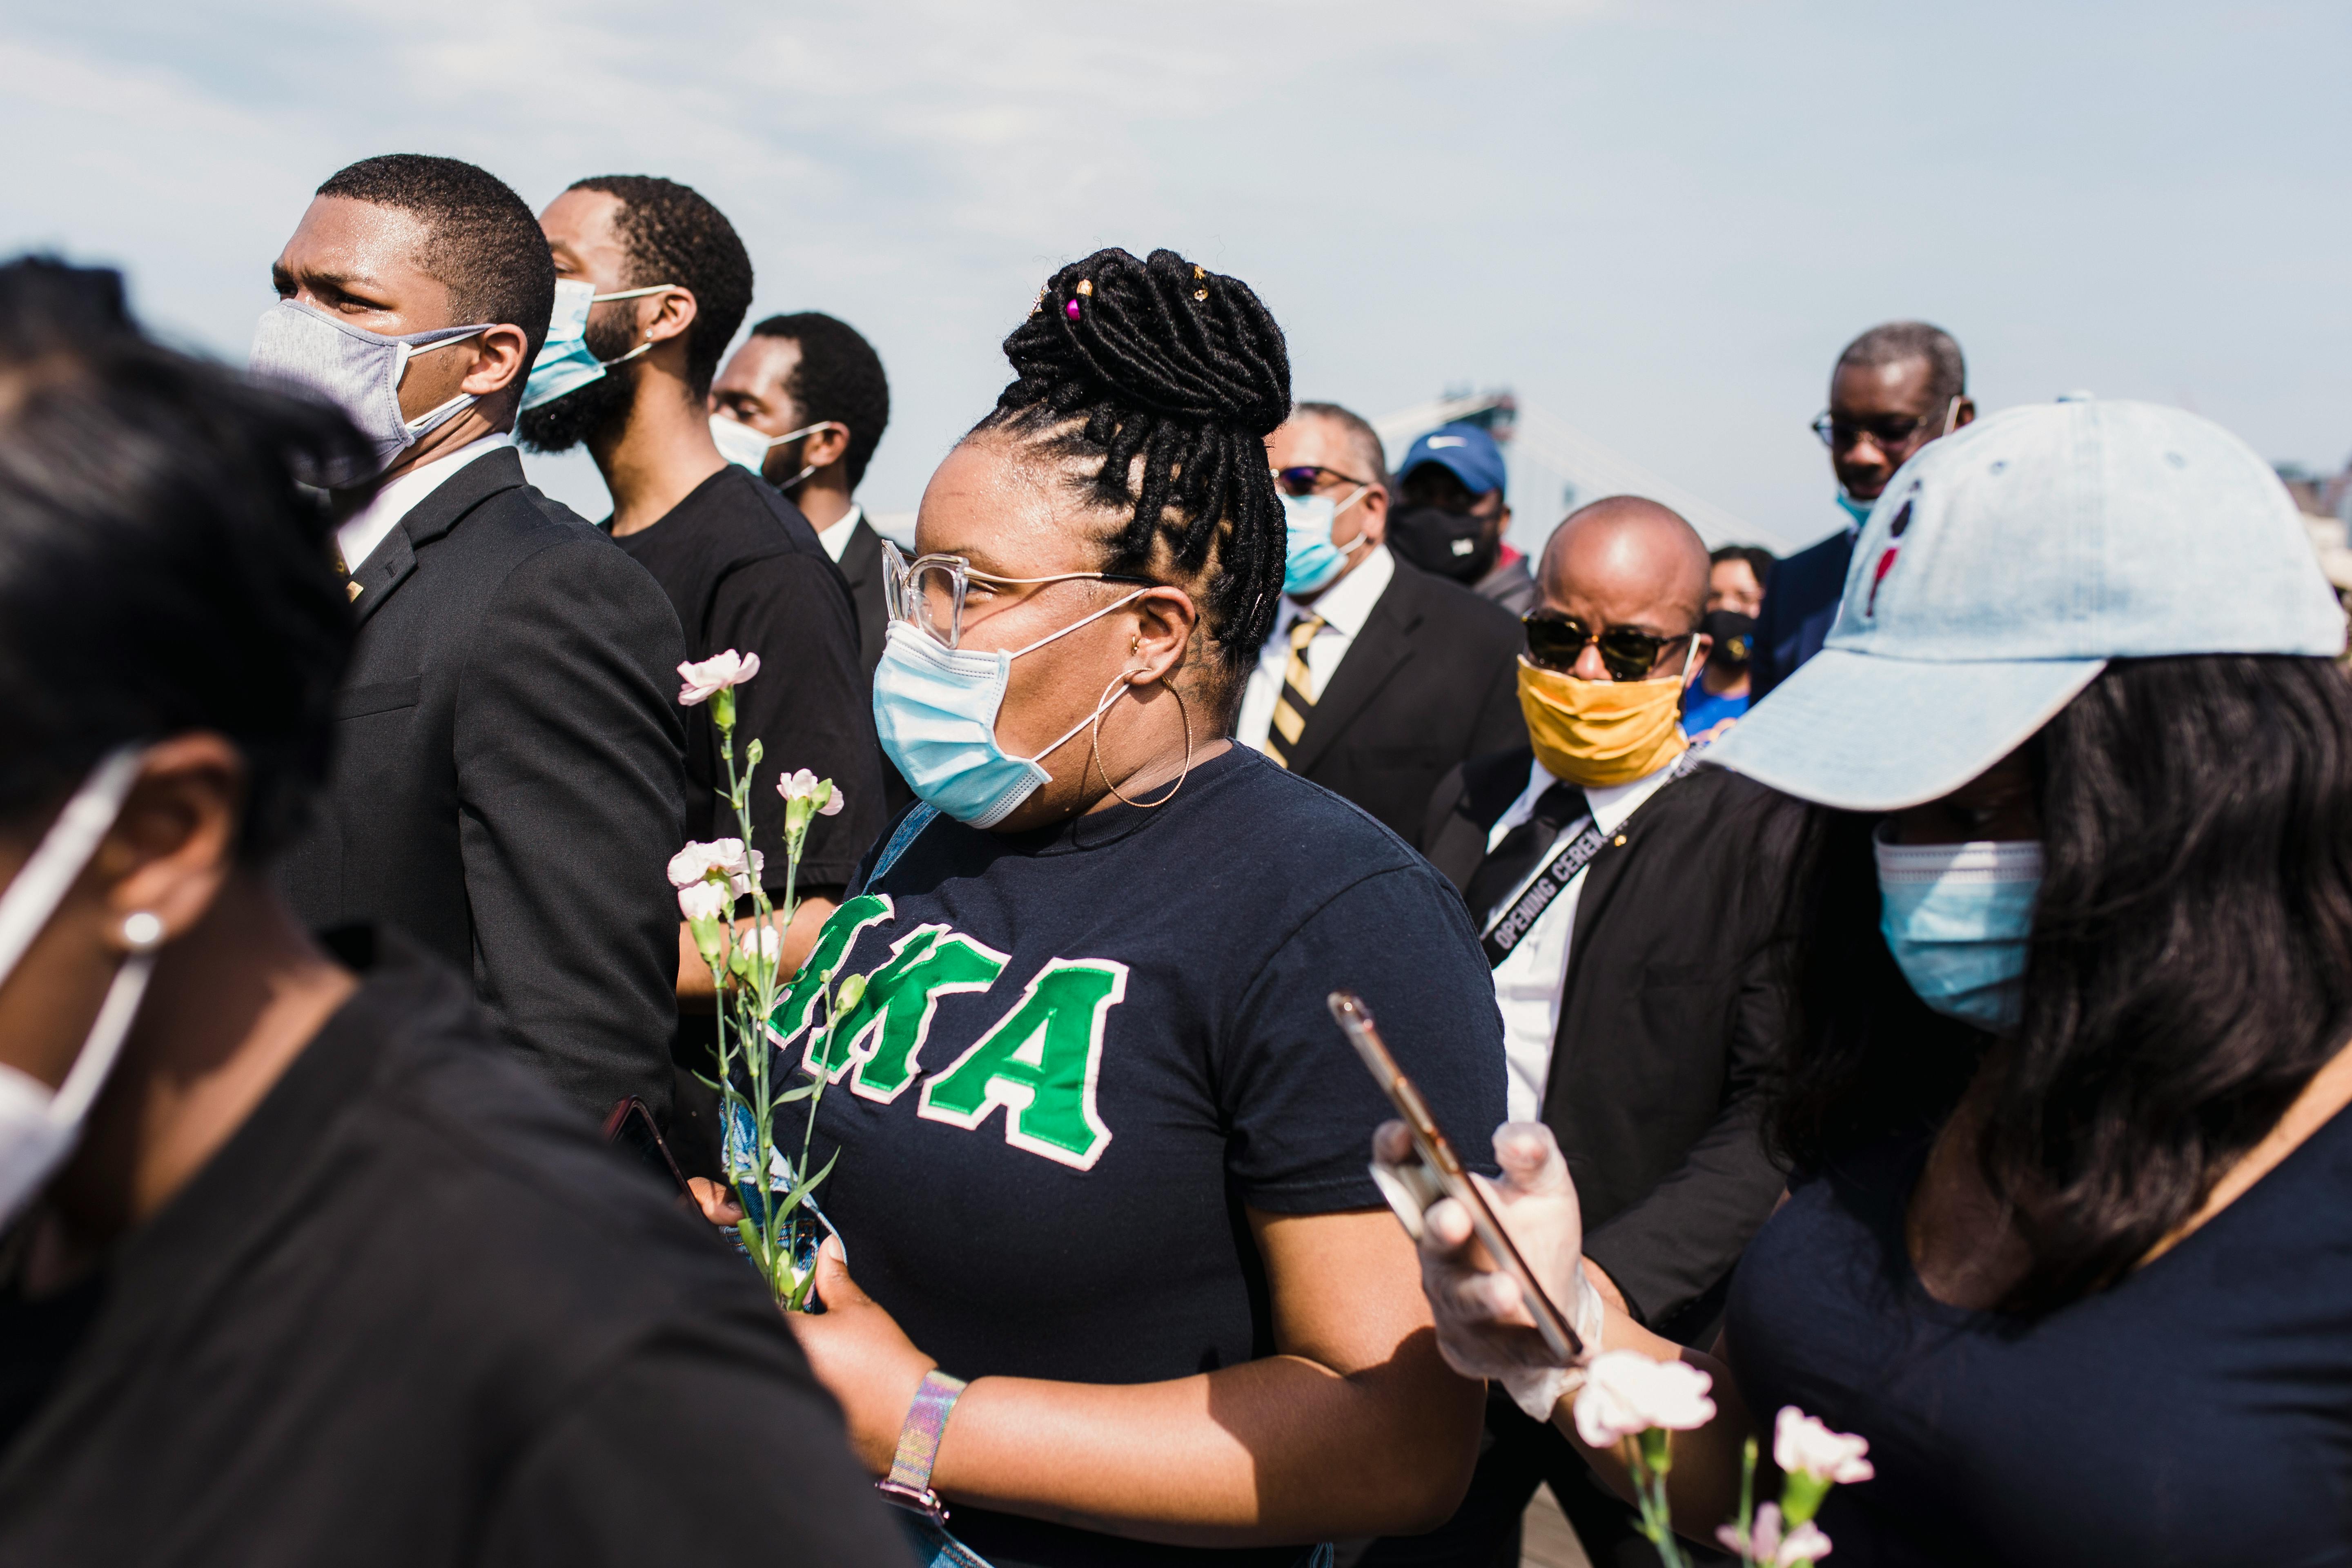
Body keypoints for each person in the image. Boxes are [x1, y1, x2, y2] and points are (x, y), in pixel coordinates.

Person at [0, 257, 906, 1568]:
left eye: (345, 294)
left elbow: (590, 992)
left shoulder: (586, 1370)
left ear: (158, 838)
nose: (304, 324)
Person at [1408, 398, 2352, 1568]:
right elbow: (1791, 1490)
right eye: (1888, 803)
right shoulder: (1925, 1079)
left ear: (2208, 774)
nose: (1910, 850)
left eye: (1974, 802)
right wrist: (1574, 1342)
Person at [740, 248, 1506, 1568]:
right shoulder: (944, 823)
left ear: (1153, 630)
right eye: (915, 583)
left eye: (967, 593)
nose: (918, 632)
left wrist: (930, 1425)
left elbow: (1397, 1437)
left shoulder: (1334, 912)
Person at [253, 154, 687, 1123]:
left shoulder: (551, 592)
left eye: (347, 300)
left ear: (489, 358)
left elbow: (577, 1039)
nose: (294, 326)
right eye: (286, 289)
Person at [1405, 499, 1788, 1568]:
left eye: (1630, 649)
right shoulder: (1471, 796)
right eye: (1557, 637)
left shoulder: (1755, 834)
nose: (1588, 676)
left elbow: (1773, 1119)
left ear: (1691, 655)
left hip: (1639, 1329)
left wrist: (1600, 1288)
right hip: (1450, 1307)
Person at [521, 176, 885, 1170]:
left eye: (553, 272)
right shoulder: (590, 549)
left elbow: (814, 921)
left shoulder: (761, 567)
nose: (514, 294)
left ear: (664, 314)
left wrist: (562, 970)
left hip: (663, 1145)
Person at [1240, 401, 1525, 848]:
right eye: (1260, 482)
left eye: (1302, 482)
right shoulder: (1226, 626)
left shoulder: (1488, 646)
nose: (1274, 504)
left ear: (1373, 508)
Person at [1749, 322, 1973, 699]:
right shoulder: (1794, 583)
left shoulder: (2008, 571)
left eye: (1893, 430)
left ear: (1960, 422)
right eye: (1843, 432)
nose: (1861, 455)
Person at [710, 311, 895, 680]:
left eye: (745, 411)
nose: (712, 423)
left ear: (825, 444)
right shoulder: (707, 573)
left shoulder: (904, 605)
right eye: (713, 404)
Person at [1389, 423, 1537, 613]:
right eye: (1419, 493)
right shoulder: (1366, 598)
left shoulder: (1532, 620)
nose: (1436, 512)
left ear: (1502, 518)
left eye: (1460, 498)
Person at [1683, 545, 1773, 740]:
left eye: (1746, 598)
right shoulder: (1669, 688)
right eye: (1714, 596)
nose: (1727, 607)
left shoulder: (1774, 710)